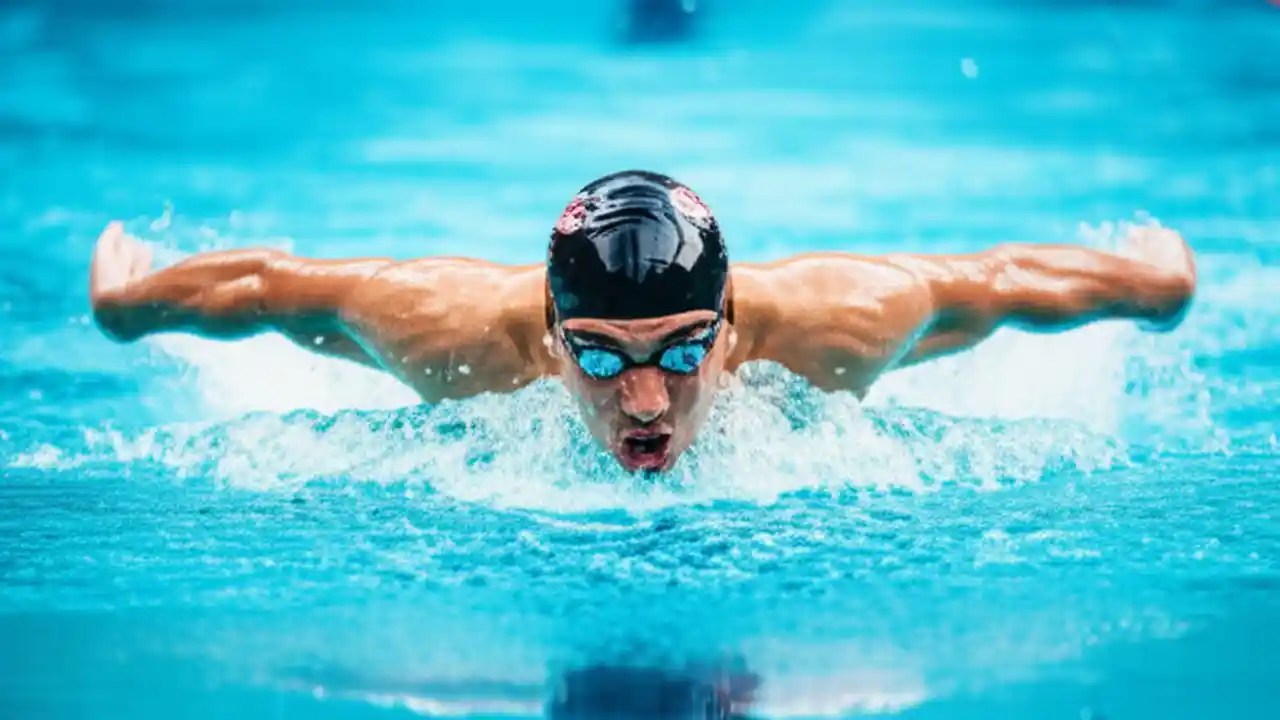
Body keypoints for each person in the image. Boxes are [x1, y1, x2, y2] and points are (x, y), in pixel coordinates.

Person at [89, 170, 1196, 472]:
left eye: (677, 349)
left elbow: (994, 281)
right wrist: (131, 306)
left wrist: (1152, 286)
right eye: (602, 359)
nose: (645, 401)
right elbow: (281, 289)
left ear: (728, 324)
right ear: (545, 328)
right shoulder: (450, 330)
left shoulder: (833, 323)